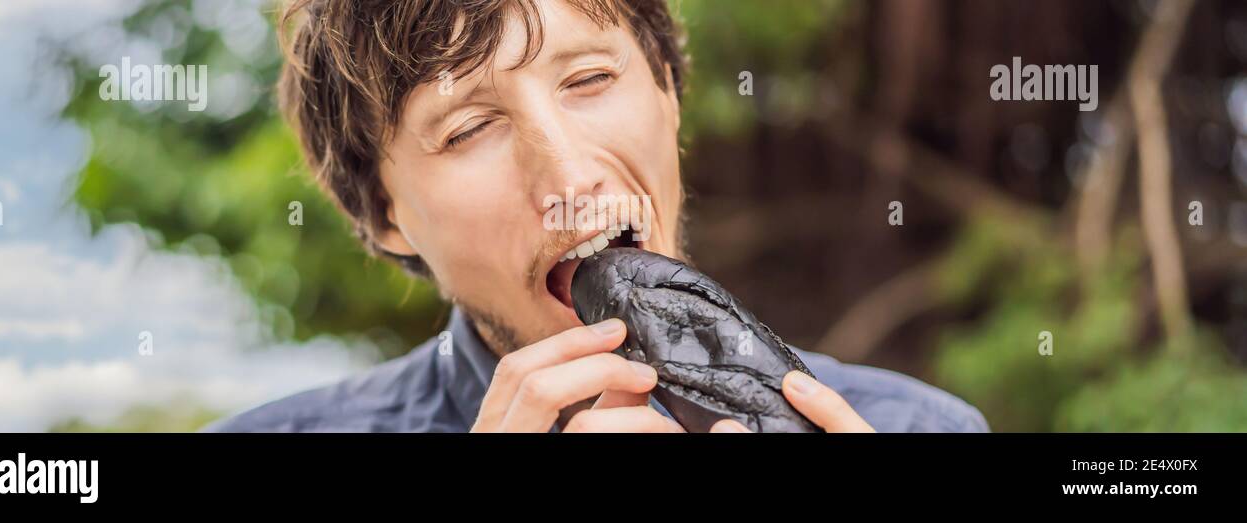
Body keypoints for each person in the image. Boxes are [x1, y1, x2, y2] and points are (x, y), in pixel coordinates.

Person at [206, 0, 988, 433]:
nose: (571, 175)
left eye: (588, 78)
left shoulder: (922, 428)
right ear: (385, 216)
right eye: (470, 129)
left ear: (670, 94)